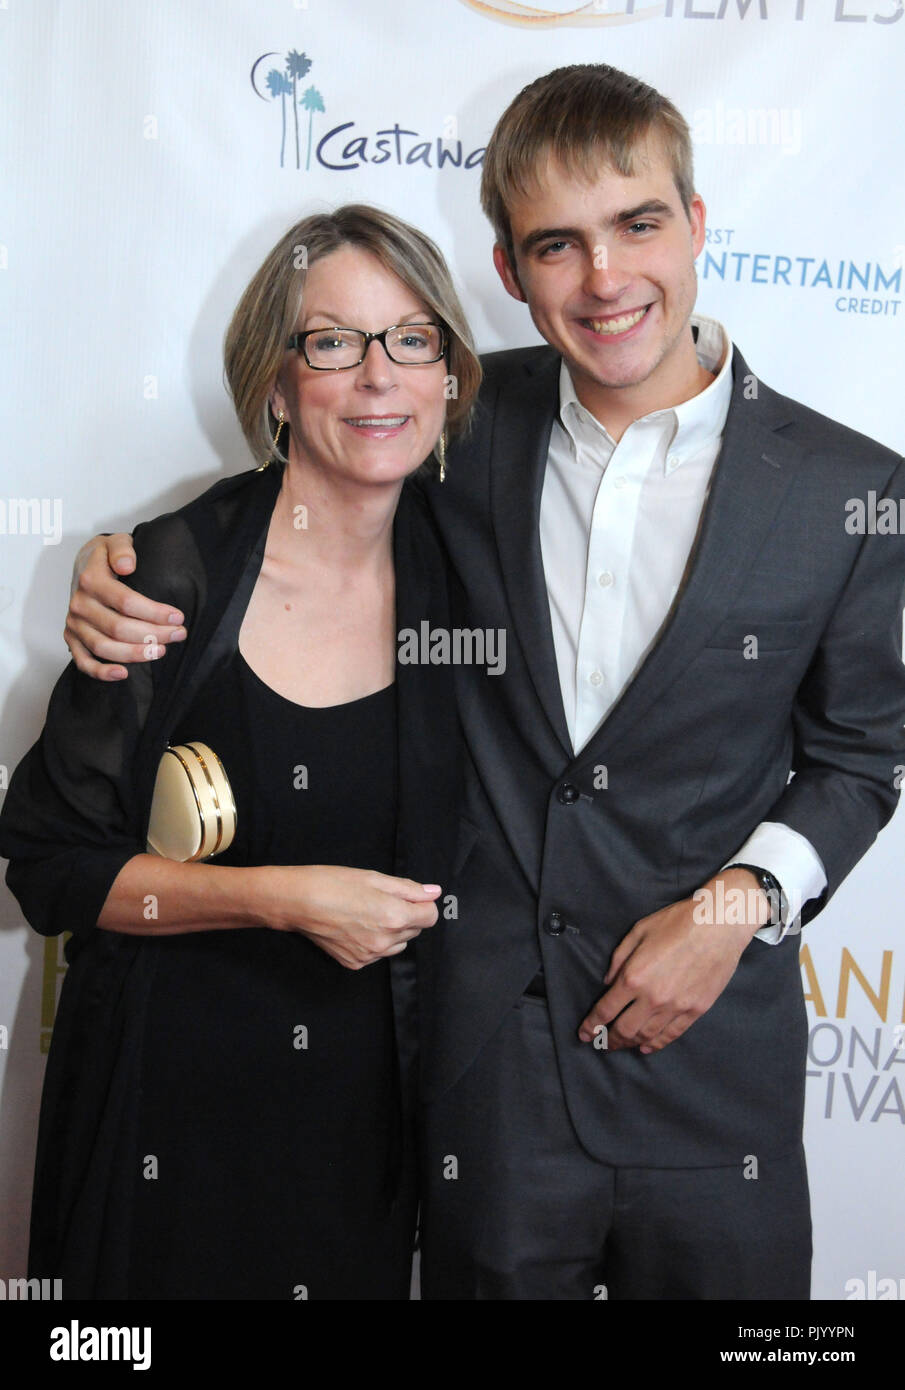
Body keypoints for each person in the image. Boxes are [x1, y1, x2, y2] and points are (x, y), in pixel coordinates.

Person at [61, 65, 905, 1301]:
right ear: (509, 272)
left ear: (699, 222)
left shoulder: (851, 486)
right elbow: (299, 496)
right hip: (482, 1077)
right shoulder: (449, 417)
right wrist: (120, 562)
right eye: (556, 245)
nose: (605, 279)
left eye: (637, 223)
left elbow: (859, 757)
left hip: (710, 1064)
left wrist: (732, 909)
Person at [0, 203, 480, 1299]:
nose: (377, 376)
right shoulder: (171, 577)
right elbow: (50, 863)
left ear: (447, 376)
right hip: (166, 1117)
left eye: (412, 339)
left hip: (361, 1133)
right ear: (273, 382)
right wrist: (285, 899)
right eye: (331, 342)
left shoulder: (466, 569)